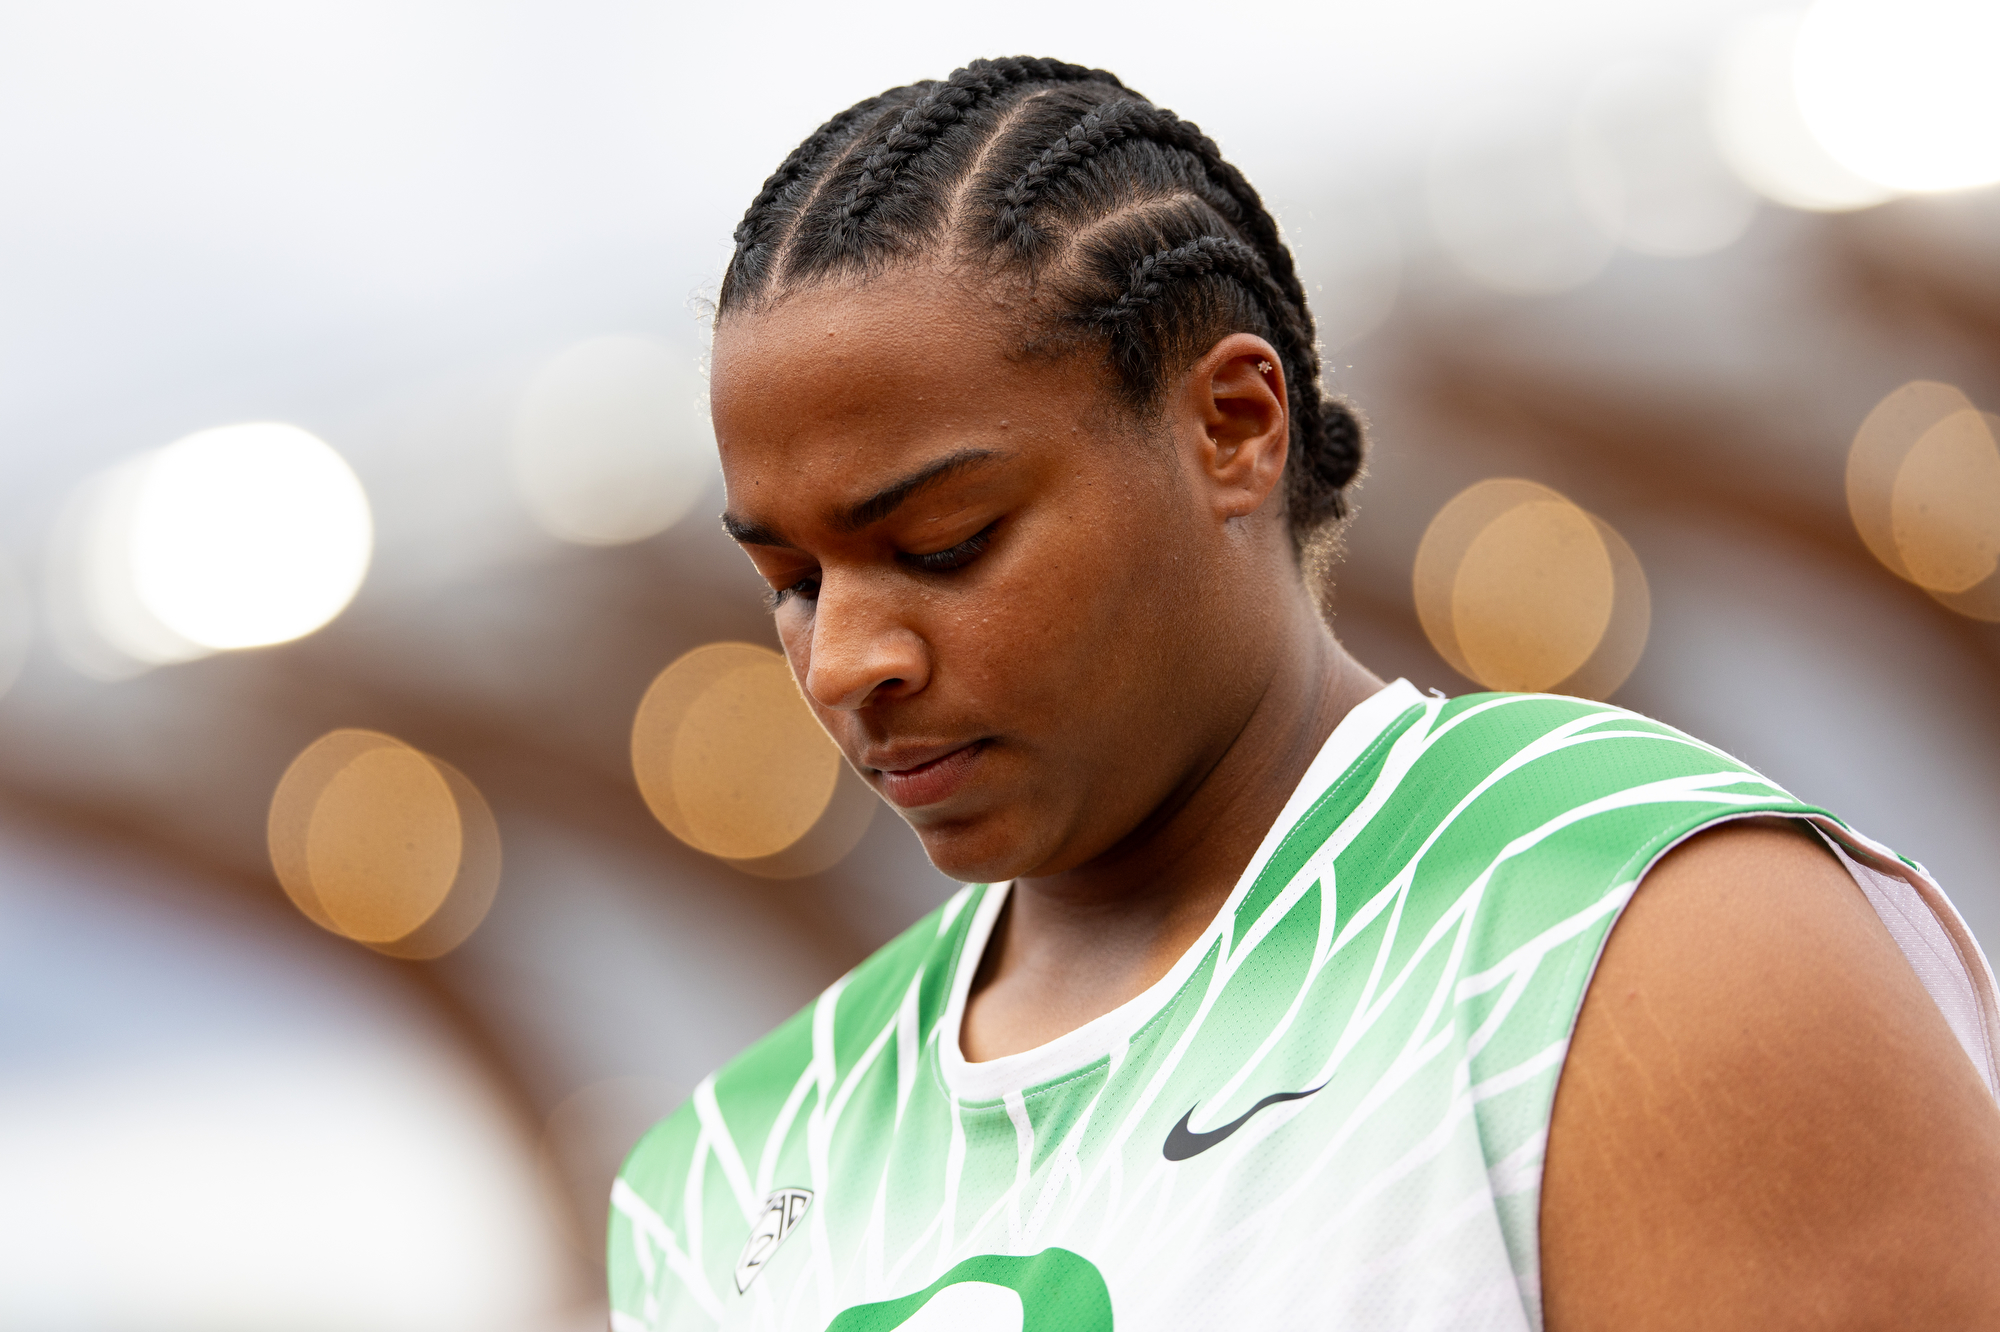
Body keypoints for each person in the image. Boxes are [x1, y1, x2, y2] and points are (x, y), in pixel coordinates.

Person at [609, 57, 2000, 1331]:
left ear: (1233, 425)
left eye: (944, 545)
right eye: (791, 580)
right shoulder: (724, 1171)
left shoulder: (1623, 929)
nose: (849, 659)